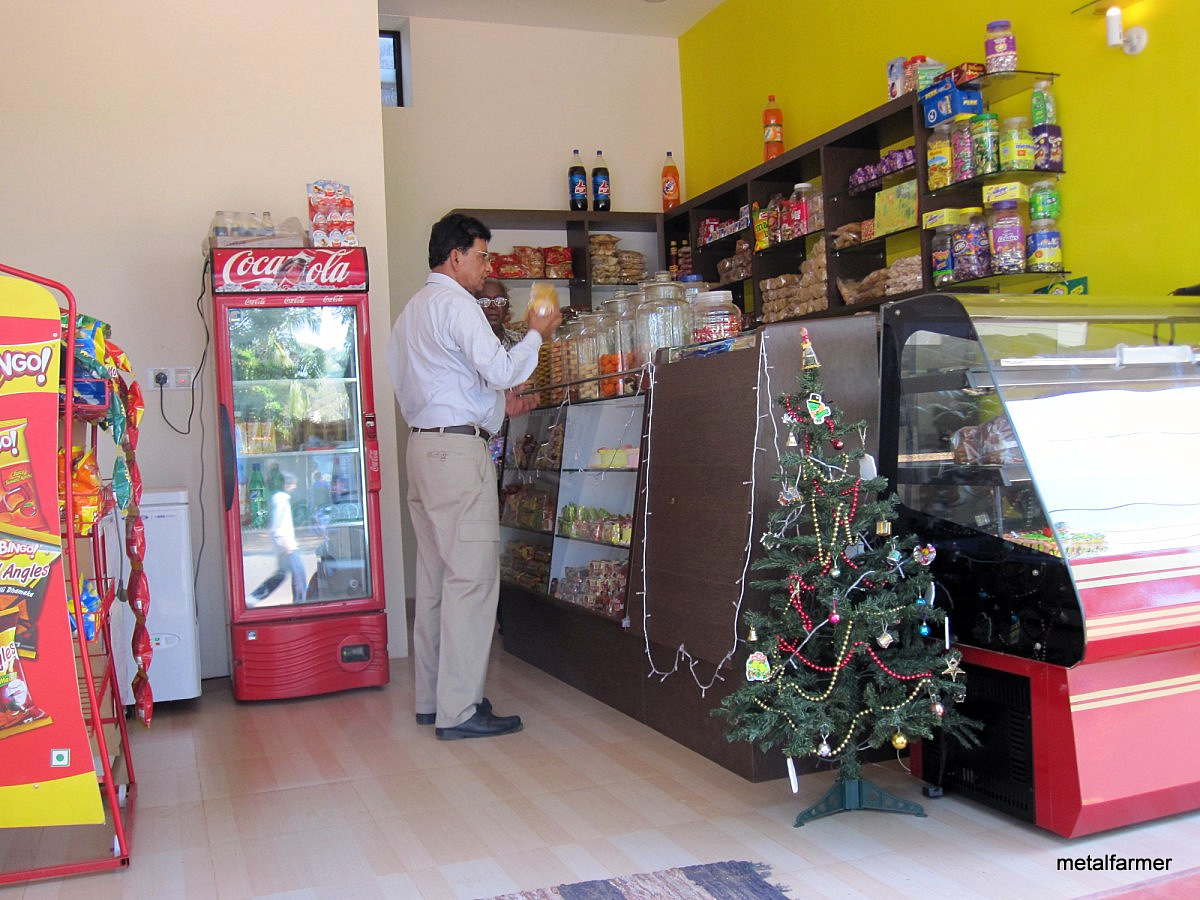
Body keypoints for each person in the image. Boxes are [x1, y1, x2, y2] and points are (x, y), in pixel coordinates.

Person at [387, 212, 560, 740]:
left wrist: (491, 409)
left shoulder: (410, 313)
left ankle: (432, 699)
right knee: (472, 580)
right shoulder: (456, 306)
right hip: (458, 458)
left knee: (438, 581)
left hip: (422, 449)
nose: (488, 265)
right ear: (455, 256)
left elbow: (442, 387)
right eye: (483, 255)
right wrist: (535, 333)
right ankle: (460, 711)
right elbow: (502, 369)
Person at [250, 470, 306, 605]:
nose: (294, 487)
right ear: (286, 485)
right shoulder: (282, 501)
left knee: (280, 576)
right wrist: (286, 544)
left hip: (283, 545)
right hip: (287, 545)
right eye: (293, 484)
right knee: (299, 577)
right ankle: (301, 604)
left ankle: (254, 597)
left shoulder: (279, 500)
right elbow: (279, 525)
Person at [476, 277, 524, 350]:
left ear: (507, 305)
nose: (492, 306)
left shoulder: (520, 341)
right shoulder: (467, 343)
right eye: (484, 301)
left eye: (499, 300)